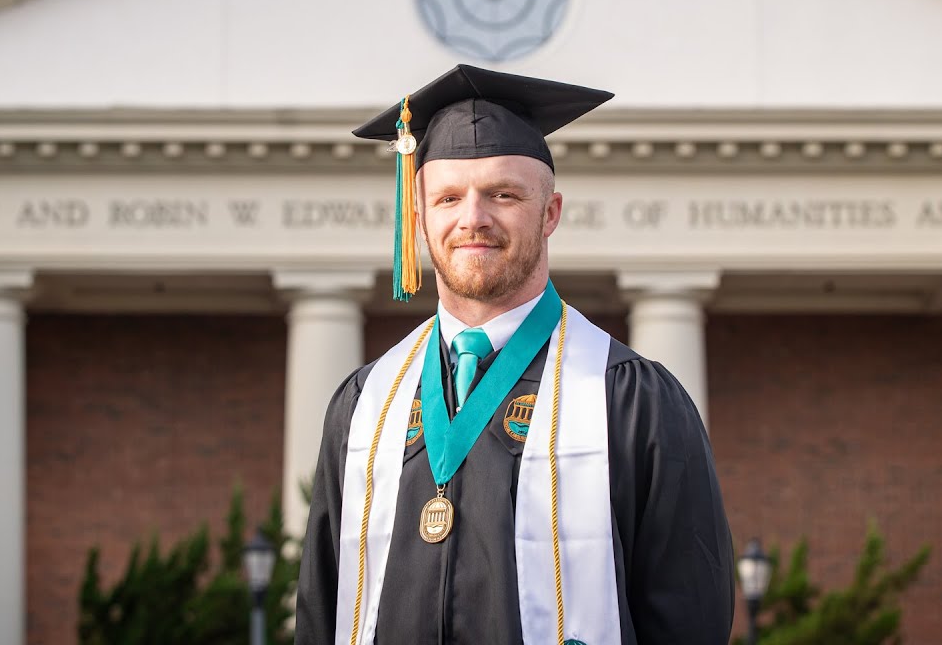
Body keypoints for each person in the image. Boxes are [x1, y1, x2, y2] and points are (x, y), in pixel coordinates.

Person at [297, 64, 733, 645]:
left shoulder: (629, 397)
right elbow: (320, 613)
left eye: (502, 194)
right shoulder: (363, 405)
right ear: (420, 220)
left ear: (550, 213)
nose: (472, 218)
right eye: (448, 198)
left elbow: (689, 620)